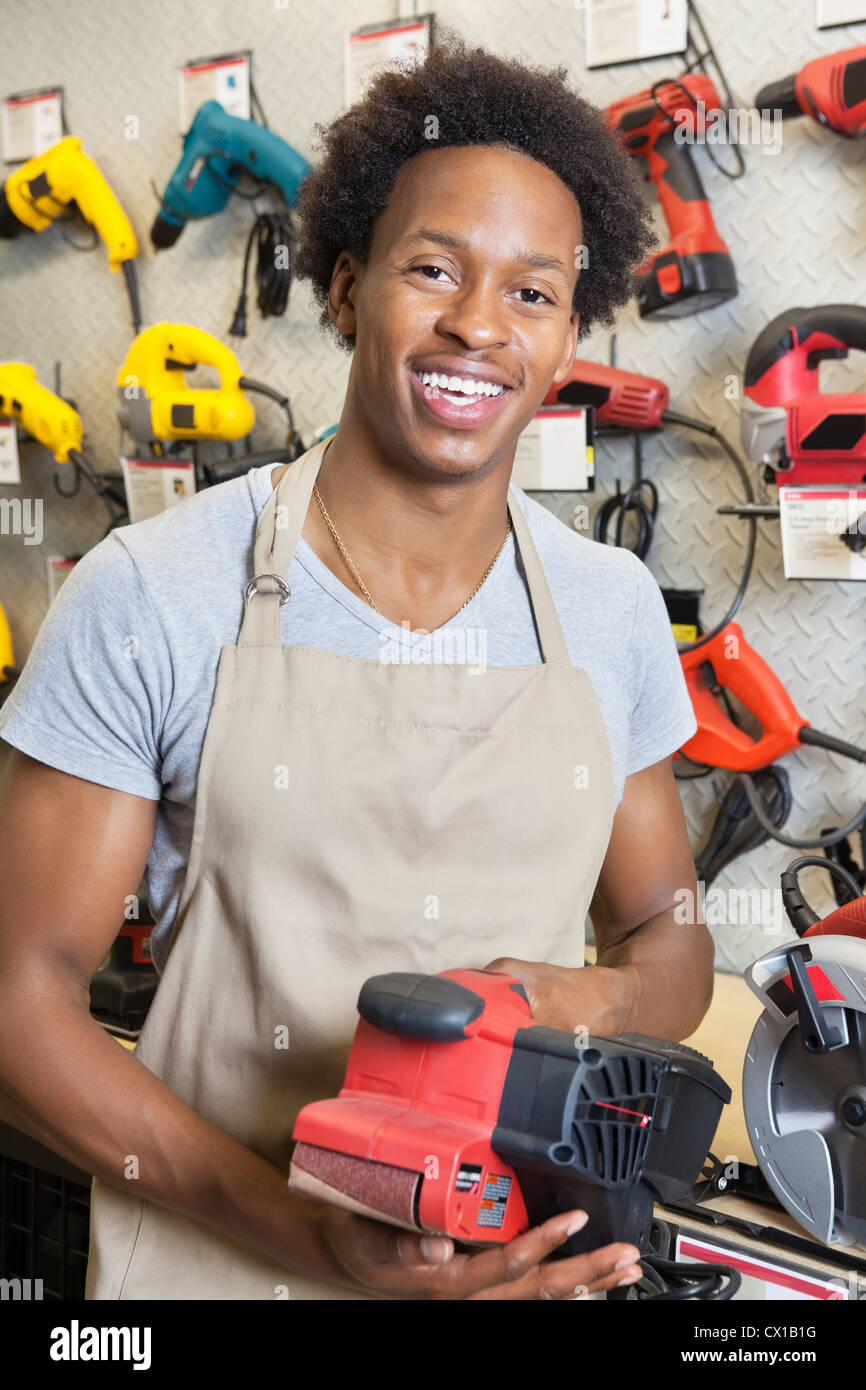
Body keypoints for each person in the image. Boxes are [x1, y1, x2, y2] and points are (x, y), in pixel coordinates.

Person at [0, 35, 712, 1300]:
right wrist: (295, 1228)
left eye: (532, 293)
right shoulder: (154, 592)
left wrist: (582, 997)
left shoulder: (603, 612)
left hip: (522, 1273)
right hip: (219, 1269)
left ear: (568, 341)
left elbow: (667, 932)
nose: (477, 327)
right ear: (343, 288)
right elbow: (19, 1000)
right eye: (431, 269)